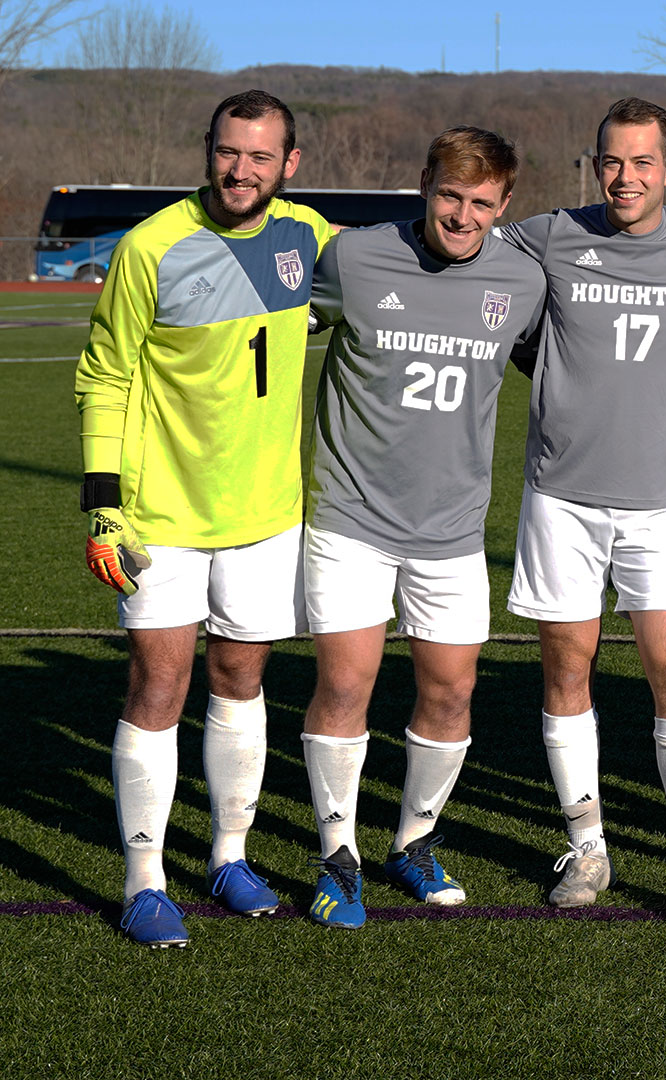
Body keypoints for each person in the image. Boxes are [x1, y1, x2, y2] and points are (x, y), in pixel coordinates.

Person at [75, 89, 331, 947]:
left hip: (265, 512)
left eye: (261, 156)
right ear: (207, 149)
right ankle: (144, 880)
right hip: (162, 515)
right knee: (158, 685)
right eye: (229, 151)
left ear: (289, 165)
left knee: (242, 681)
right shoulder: (152, 245)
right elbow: (105, 376)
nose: (241, 169)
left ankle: (229, 856)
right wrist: (103, 504)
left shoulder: (308, 239)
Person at [495, 98, 666, 926]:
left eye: (642, 163)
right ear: (593, 165)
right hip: (560, 500)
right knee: (568, 673)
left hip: (660, 505)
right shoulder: (549, 233)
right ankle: (587, 846)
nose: (625, 178)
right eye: (611, 162)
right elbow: (465, 249)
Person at [297, 127, 545, 928]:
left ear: (504, 206)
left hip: (453, 529)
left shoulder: (522, 279)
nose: (462, 215)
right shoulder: (354, 260)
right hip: (351, 515)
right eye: (450, 195)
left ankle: (413, 841)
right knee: (344, 684)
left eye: (481, 202)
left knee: (452, 690)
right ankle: (338, 858)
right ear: (424, 188)